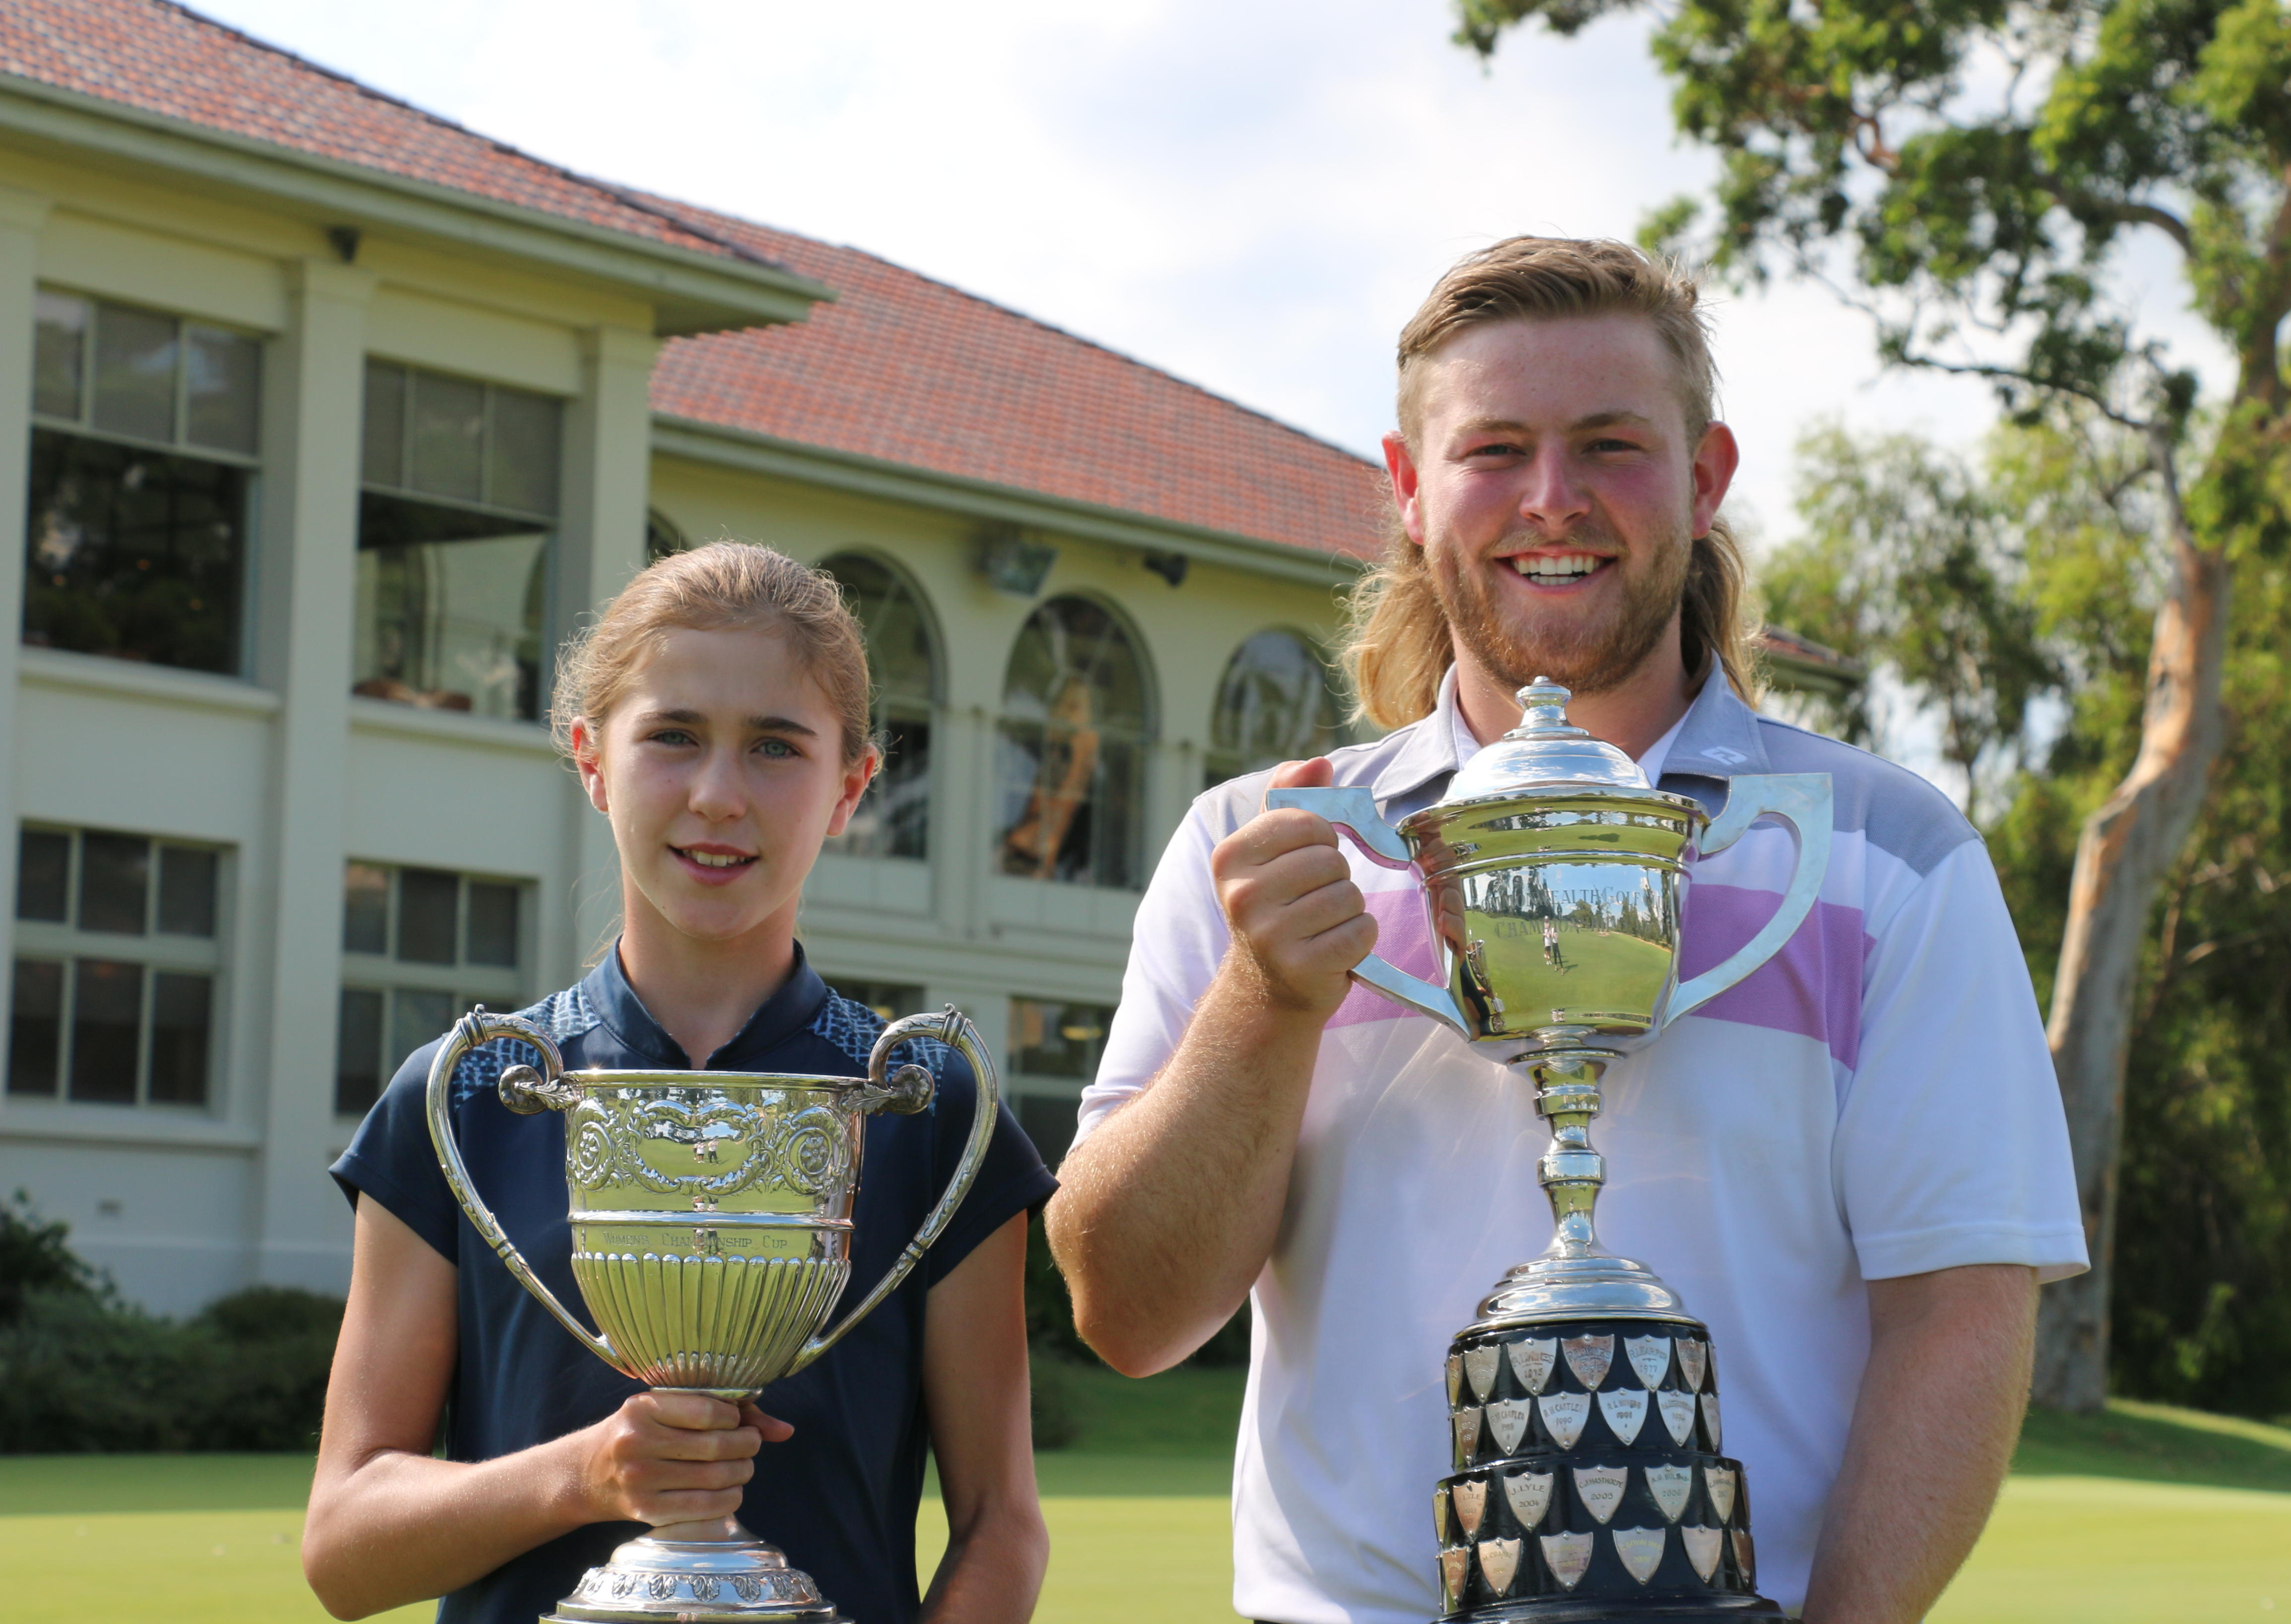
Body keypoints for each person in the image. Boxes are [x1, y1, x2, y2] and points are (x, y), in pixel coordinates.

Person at [1047, 238, 2088, 1624]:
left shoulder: (1889, 853)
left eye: (1611, 445)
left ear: (1707, 478)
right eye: (1493, 450)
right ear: (1411, 492)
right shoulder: (1261, 847)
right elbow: (1127, 1311)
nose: (1553, 499)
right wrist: (1262, 1001)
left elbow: (1961, 1305)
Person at [305, 543, 1056, 1624]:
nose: (717, 794)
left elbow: (1002, 1523)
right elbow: (343, 1549)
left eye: (773, 747)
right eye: (672, 735)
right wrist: (587, 1473)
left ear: (850, 786)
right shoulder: (466, 1097)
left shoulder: (927, 1107)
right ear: (591, 760)